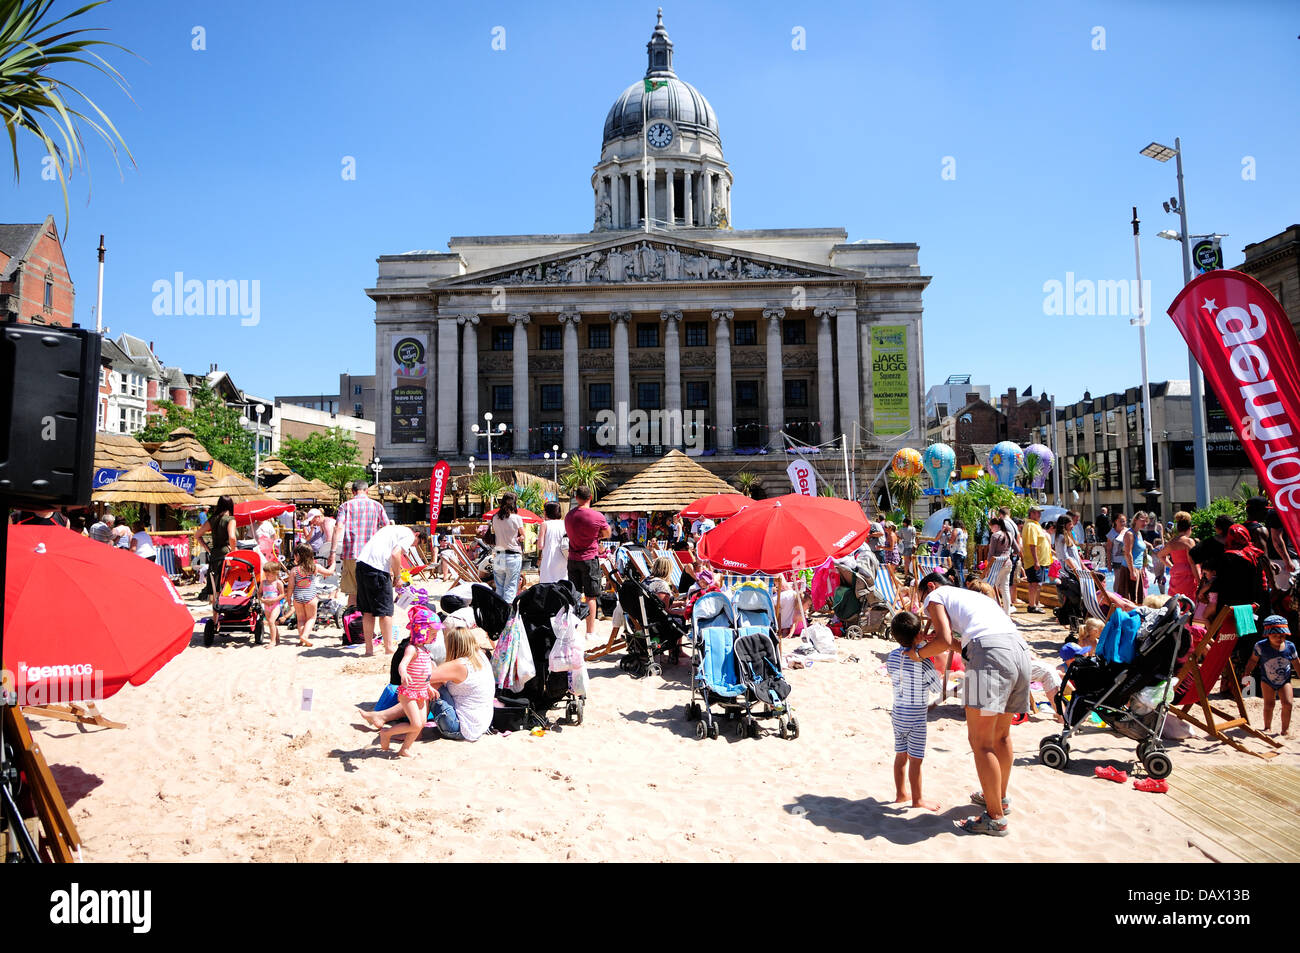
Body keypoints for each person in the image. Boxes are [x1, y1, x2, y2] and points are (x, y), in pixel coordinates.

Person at [893, 573, 1031, 836]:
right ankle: (999, 798)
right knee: (1001, 736)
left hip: (990, 655)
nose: (927, 609)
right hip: (1019, 651)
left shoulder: (935, 596)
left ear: (930, 587)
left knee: (981, 743)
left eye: (923, 600)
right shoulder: (974, 597)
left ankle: (995, 818)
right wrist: (930, 641)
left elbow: (945, 642)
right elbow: (960, 646)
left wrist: (918, 653)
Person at [886, 618, 942, 811]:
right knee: (916, 760)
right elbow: (937, 689)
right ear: (919, 635)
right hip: (915, 717)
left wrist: (920, 642)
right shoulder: (924, 663)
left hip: (898, 713)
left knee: (900, 756)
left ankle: (901, 794)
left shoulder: (892, 656)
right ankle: (917, 800)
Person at [354, 523, 416, 656]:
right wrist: (398, 577)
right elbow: (395, 554)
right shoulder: (409, 534)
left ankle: (369, 649)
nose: (413, 546)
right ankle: (388, 647)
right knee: (386, 612)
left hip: (361, 565)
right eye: (416, 543)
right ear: (417, 535)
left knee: (367, 611)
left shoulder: (390, 529)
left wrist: (392, 574)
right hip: (377, 569)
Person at [325, 480, 390, 604]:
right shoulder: (377, 506)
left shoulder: (345, 506)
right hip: (372, 555)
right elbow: (387, 528)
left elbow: (338, 527)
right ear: (367, 490)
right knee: (370, 591)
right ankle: (367, 620)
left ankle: (353, 620)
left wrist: (332, 552)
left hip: (352, 554)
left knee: (353, 592)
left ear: (352, 491)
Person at [379, 622, 436, 757]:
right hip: (409, 693)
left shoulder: (425, 650)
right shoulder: (412, 649)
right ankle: (386, 733)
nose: (435, 637)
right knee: (415, 724)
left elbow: (423, 673)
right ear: (422, 632)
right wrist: (403, 673)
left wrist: (428, 686)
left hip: (421, 692)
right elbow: (403, 664)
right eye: (433, 634)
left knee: (421, 724)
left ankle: (405, 749)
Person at [565, 486, 611, 640]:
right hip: (589, 558)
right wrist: (596, 536)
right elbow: (607, 533)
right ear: (590, 497)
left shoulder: (569, 516)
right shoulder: (597, 516)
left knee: (574, 595)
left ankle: (573, 630)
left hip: (573, 558)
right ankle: (590, 632)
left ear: (576, 498)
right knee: (591, 596)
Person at [1241, 616, 1300, 735]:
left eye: (1282, 636)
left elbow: (1296, 662)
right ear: (1267, 634)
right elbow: (1253, 660)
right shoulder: (1261, 646)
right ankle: (1267, 727)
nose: (1279, 638)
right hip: (1267, 680)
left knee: (1288, 704)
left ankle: (1285, 729)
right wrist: (1247, 673)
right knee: (1269, 704)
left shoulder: (1290, 647)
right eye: (1275, 636)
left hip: (1285, 680)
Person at [198, 496, 238, 612]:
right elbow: (232, 537)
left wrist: (208, 549)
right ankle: (227, 614)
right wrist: (234, 552)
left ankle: (216, 620)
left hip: (214, 555)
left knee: (215, 589)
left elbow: (197, 535)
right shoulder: (230, 519)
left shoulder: (213, 519)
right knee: (227, 585)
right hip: (227, 553)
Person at [491, 492, 526, 603]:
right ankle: (507, 614)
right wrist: (520, 538)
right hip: (513, 555)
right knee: (510, 587)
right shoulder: (516, 518)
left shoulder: (495, 517)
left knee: (499, 586)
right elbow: (523, 536)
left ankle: (498, 611)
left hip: (499, 554)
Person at [1157, 511, 1200, 601]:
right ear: (1189, 529)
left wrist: (1172, 566)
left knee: (1176, 602)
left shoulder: (1172, 542)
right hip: (1188, 575)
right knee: (1189, 603)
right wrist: (1199, 581)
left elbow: (1160, 555)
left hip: (1176, 574)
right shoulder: (1189, 541)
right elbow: (1192, 563)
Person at [1020, 505, 1051, 613]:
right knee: (1034, 583)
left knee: (1036, 583)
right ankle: (1032, 605)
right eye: (1037, 512)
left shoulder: (1034, 525)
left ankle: (1034, 604)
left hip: (1039, 560)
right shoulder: (1031, 526)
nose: (1039, 514)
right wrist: (1036, 561)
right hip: (1034, 561)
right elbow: (1032, 544)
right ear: (1031, 513)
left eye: (1039, 512)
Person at [290, 544, 319, 647]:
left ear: (298, 556)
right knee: (311, 618)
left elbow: (290, 587)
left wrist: (289, 598)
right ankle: (305, 636)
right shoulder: (314, 567)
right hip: (310, 596)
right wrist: (333, 563)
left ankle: (301, 639)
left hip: (298, 596)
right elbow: (329, 572)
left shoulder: (294, 570)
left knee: (300, 619)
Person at [986, 519, 1014, 615]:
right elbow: (1017, 549)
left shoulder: (995, 536)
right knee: (1005, 588)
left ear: (995, 526)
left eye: (991, 527)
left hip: (997, 564)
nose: (991, 530)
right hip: (1008, 563)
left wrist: (987, 566)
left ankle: (994, 612)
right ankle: (1007, 612)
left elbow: (991, 553)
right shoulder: (1009, 534)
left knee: (992, 587)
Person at [537, 501, 568, 584]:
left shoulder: (544, 524)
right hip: (562, 558)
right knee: (562, 585)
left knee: (547, 585)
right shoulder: (564, 523)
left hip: (549, 558)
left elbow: (540, 545)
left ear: (547, 512)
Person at [261, 561, 286, 646]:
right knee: (271, 623)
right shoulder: (263, 582)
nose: (267, 577)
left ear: (275, 573)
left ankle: (272, 641)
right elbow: (259, 592)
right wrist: (261, 599)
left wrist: (274, 600)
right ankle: (277, 638)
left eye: (270, 575)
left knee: (271, 621)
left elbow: (282, 594)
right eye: (266, 574)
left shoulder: (278, 582)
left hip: (275, 605)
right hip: (266, 605)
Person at [777, 572, 806, 643]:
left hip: (798, 631)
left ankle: (784, 628)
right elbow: (794, 623)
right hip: (797, 631)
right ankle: (785, 628)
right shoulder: (798, 613)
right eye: (808, 605)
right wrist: (790, 634)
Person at [950, 519, 968, 586]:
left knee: (958, 571)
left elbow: (951, 541)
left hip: (957, 552)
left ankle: (961, 586)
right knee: (961, 571)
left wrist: (949, 540)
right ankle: (963, 584)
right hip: (963, 552)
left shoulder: (956, 530)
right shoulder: (964, 531)